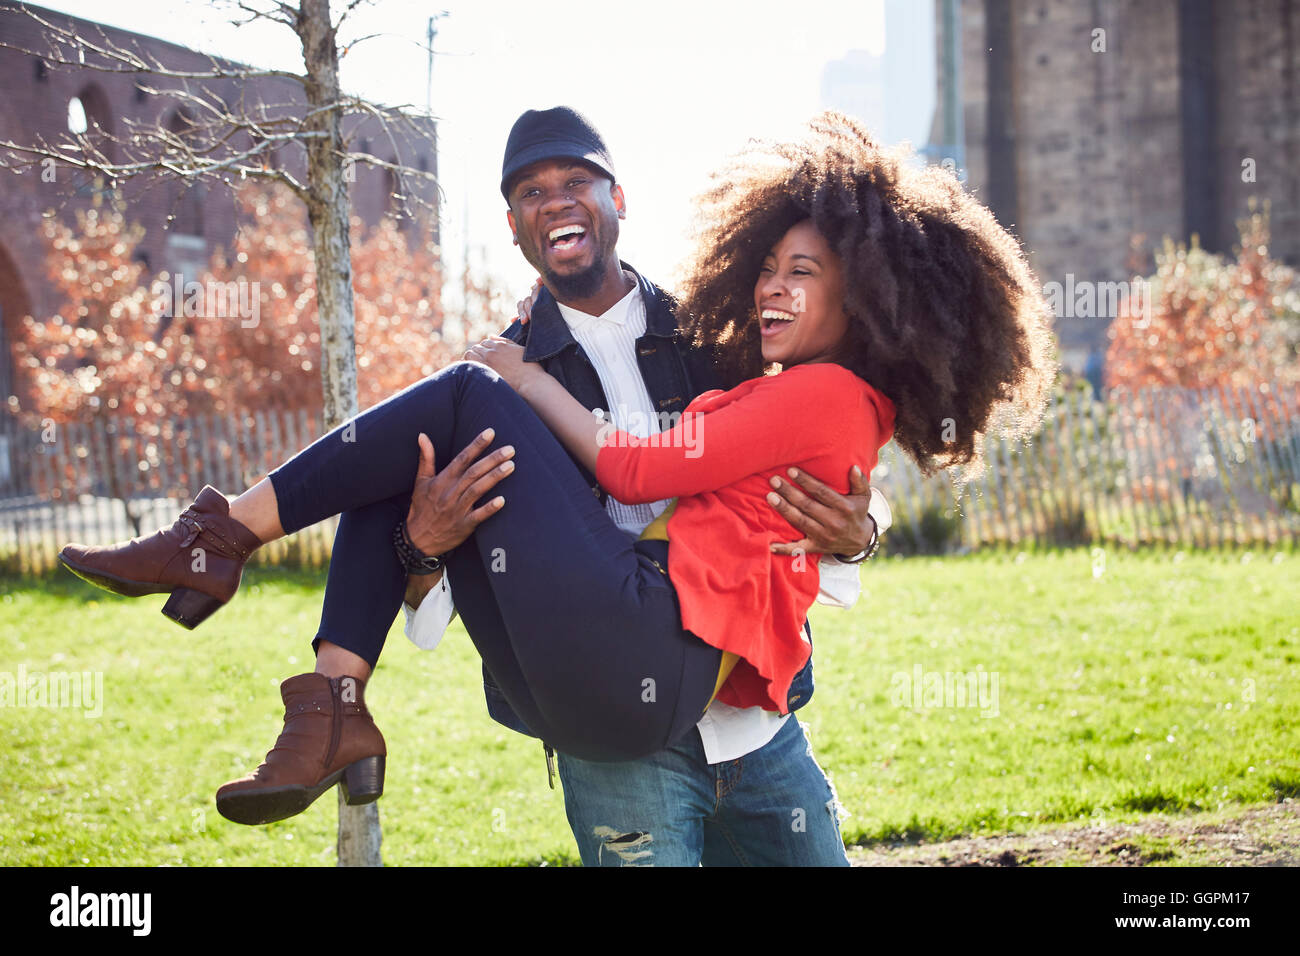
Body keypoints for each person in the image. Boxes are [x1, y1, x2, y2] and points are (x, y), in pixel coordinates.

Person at [59, 109, 1056, 863]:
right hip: (615, 730)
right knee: (409, 445)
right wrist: (423, 544)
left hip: (756, 722)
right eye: (531, 191)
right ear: (512, 224)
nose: (557, 201)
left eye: (575, 179)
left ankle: (270, 612)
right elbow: (451, 595)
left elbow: (816, 449)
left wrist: (862, 524)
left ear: (619, 198)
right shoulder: (498, 376)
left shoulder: (720, 340)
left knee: (440, 408)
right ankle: (313, 674)